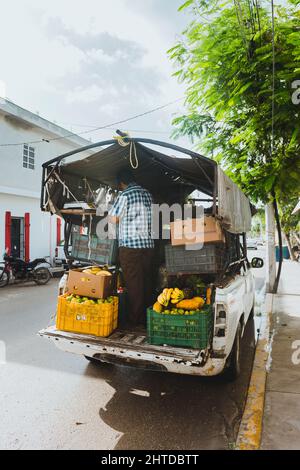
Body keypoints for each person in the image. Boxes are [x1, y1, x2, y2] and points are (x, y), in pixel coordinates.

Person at [109, 169, 155, 327]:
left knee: (134, 283)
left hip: (130, 246)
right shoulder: (147, 194)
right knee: (147, 281)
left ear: (121, 183)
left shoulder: (124, 195)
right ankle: (150, 315)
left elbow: (114, 219)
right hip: (148, 246)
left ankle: (136, 320)